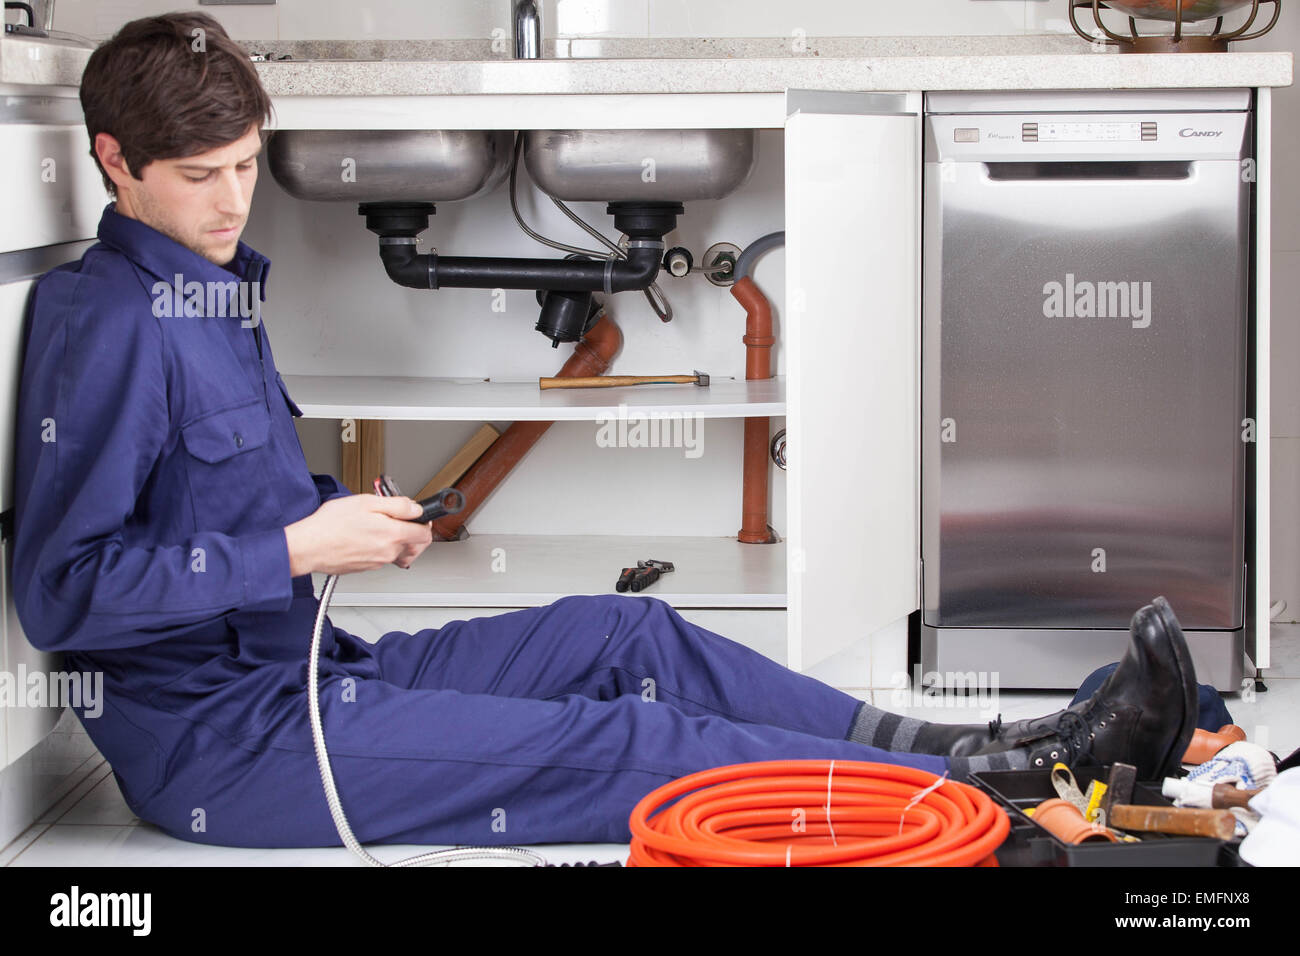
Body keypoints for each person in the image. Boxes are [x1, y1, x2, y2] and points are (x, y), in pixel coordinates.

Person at [11, 13, 1199, 849]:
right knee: (621, 739)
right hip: (229, 744)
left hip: (315, 672)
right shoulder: (105, 319)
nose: (234, 201)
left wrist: (348, 522)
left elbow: (214, 499)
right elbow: (62, 594)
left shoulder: (210, 281)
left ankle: (984, 737)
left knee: (623, 627)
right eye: (204, 175)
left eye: (251, 166)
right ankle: (1007, 796)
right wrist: (301, 550)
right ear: (115, 159)